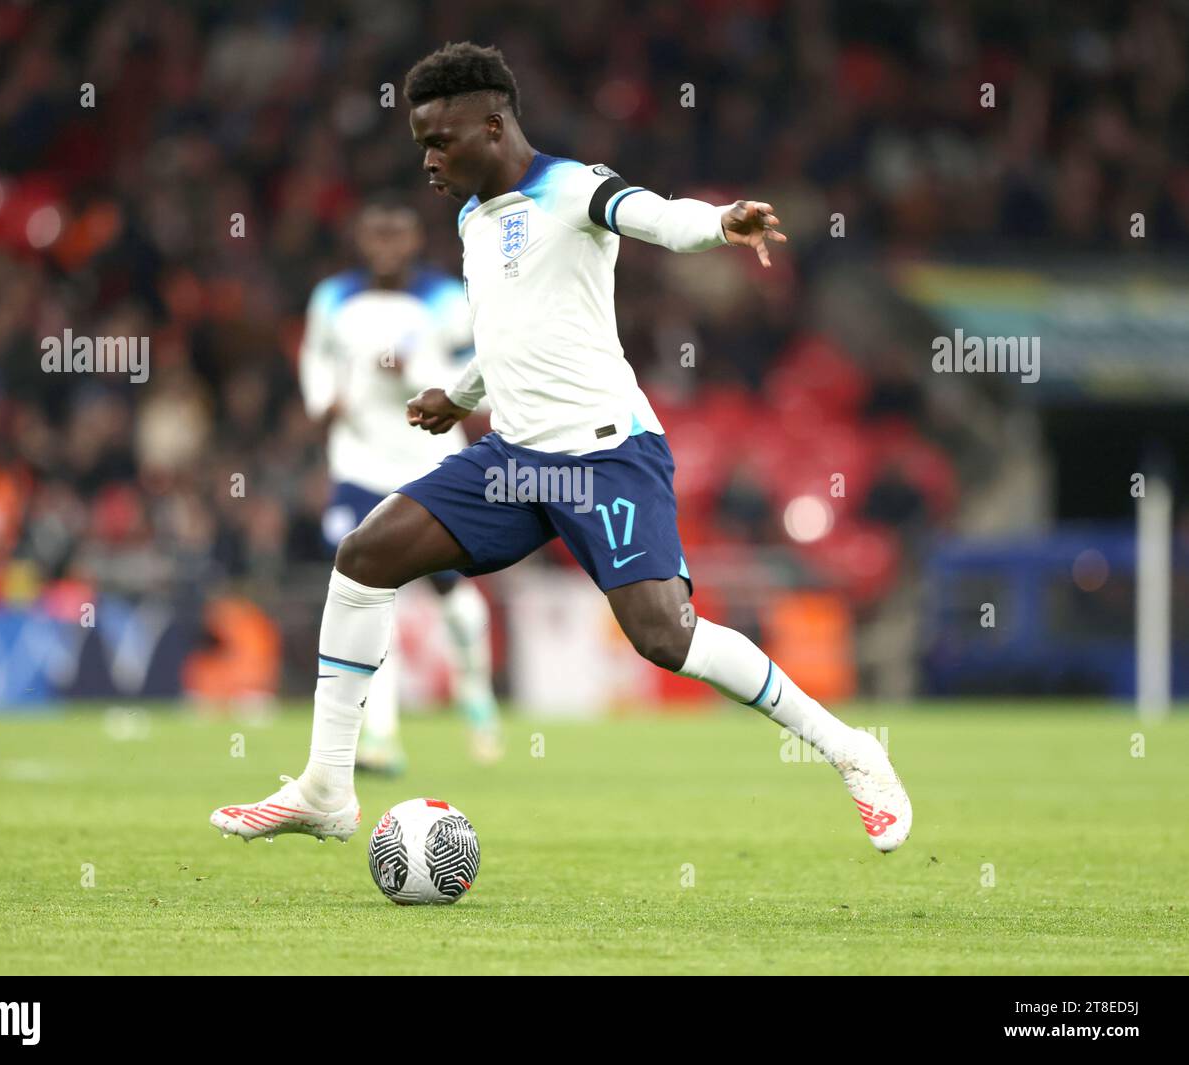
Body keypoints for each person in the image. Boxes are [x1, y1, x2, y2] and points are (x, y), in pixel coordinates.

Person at [212, 42, 911, 853]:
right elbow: (513, 333)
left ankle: (853, 750)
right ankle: (328, 787)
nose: (429, 162)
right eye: (421, 147)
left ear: (494, 123)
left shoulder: (572, 187)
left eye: (440, 141)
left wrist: (718, 224)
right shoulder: (474, 219)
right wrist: (460, 396)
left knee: (666, 638)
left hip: (605, 456)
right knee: (364, 557)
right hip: (513, 461)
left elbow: (654, 214)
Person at [297, 194, 503, 773]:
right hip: (359, 466)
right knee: (366, 592)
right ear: (361, 240)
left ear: (415, 241)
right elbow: (315, 357)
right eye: (375, 235)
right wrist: (322, 400)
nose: (386, 246)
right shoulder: (334, 297)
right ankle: (380, 738)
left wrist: (414, 373)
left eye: (397, 235)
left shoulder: (446, 299)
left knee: (452, 597)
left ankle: (476, 695)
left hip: (430, 464)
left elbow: (480, 376)